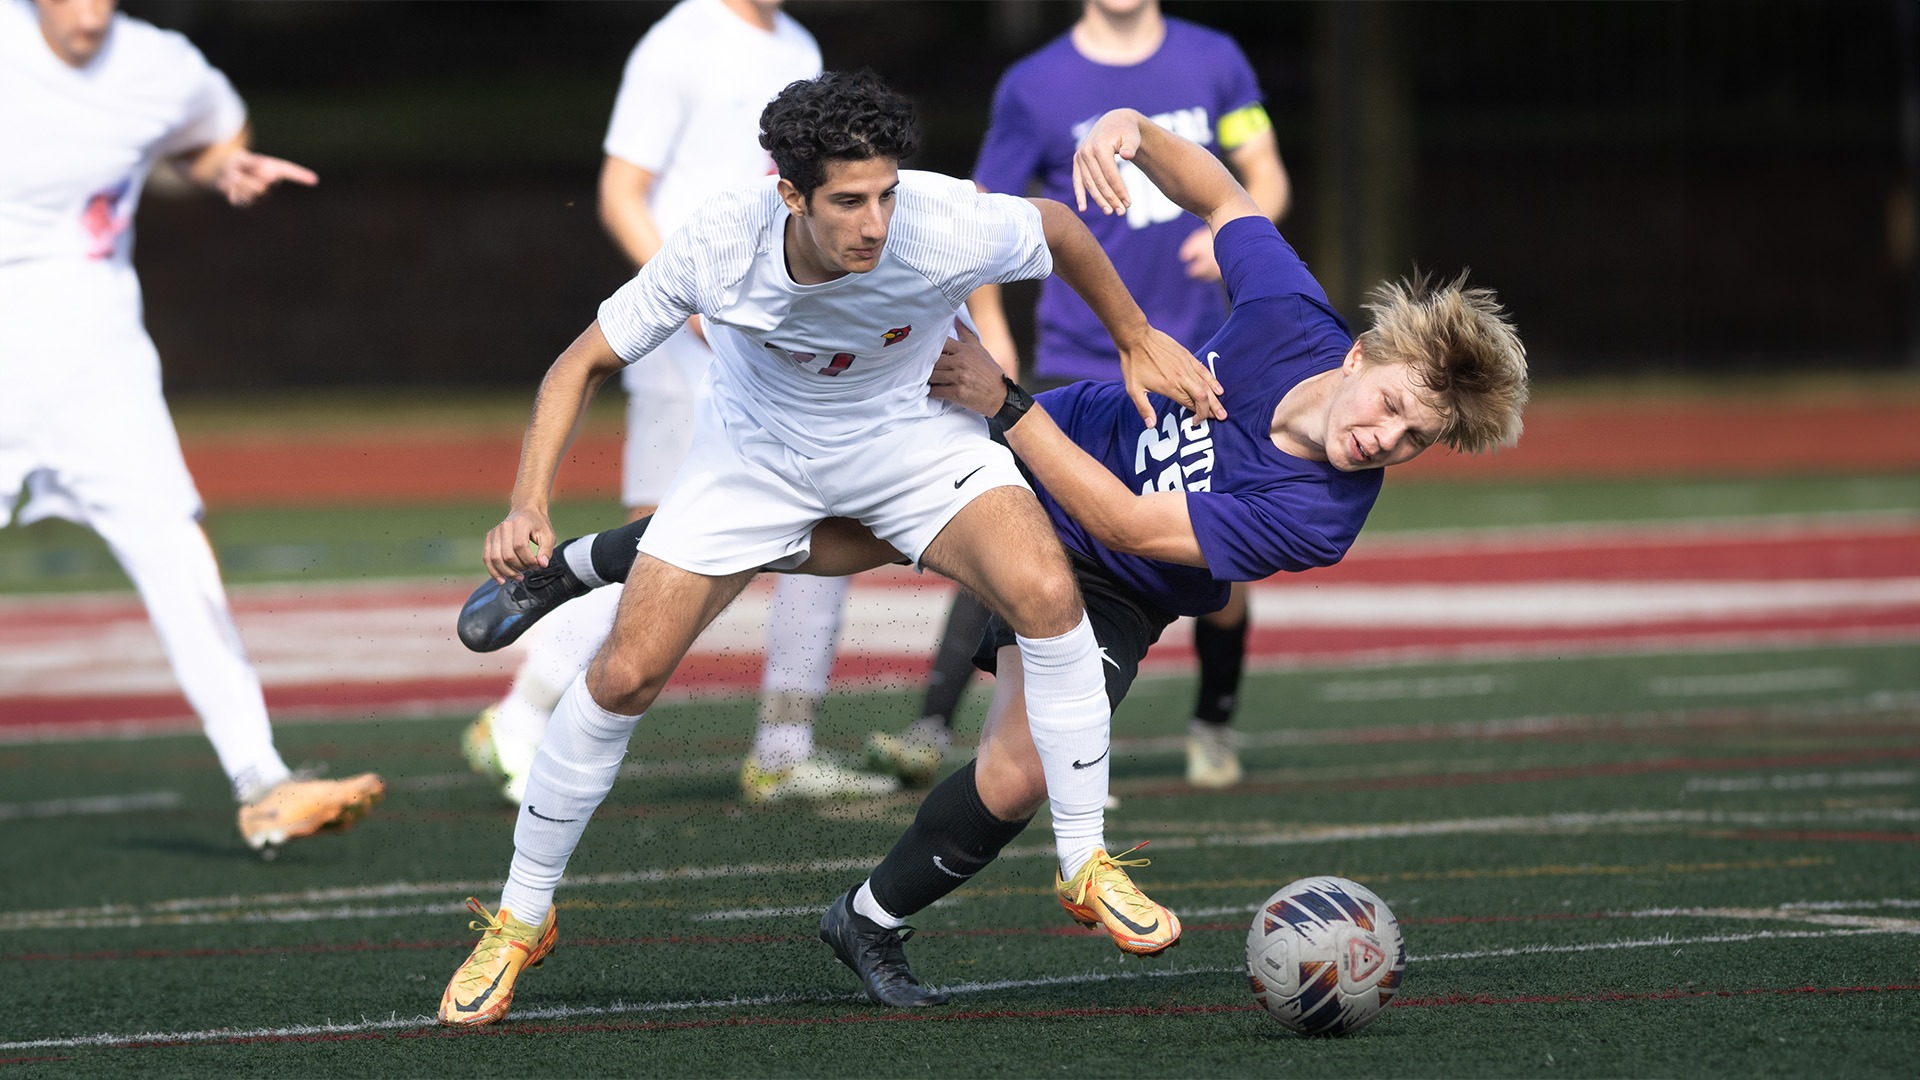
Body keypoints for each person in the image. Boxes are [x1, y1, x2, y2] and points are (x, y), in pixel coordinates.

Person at [464, 106, 1528, 1008]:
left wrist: (1006, 403)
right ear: (1360, 356)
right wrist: (1135, 132)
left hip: (1112, 569)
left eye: (1415, 440)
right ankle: (575, 567)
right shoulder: (1294, 318)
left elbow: (1122, 526)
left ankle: (868, 918)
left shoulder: (1323, 513)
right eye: (1391, 406)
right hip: (1029, 457)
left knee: (1017, 774)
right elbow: (1226, 201)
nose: (1385, 438)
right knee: (814, 537)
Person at [436, 71, 1224, 1027]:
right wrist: (529, 500)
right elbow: (582, 363)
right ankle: (519, 919)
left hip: (914, 440)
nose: (875, 223)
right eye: (848, 201)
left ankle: (1086, 857)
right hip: (754, 459)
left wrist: (1135, 335)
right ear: (790, 196)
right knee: (626, 675)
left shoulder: (934, 221)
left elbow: (1056, 226)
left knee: (1047, 595)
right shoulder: (721, 241)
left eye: (885, 193)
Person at [457, 0, 891, 808]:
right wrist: (689, 301)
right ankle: (518, 715)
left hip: (775, 341)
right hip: (692, 344)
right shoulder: (679, 41)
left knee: (834, 510)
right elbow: (623, 191)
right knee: (667, 548)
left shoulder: (798, 41)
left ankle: (785, 747)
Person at [867, 0, 1291, 793]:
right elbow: (982, 217)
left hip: (1201, 364)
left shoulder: (1218, 59)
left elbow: (1262, 171)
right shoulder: (1035, 83)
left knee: (1215, 571)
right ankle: (930, 724)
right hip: (1077, 358)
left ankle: (1212, 725)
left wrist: (1236, 229)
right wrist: (989, 325)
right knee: (1005, 519)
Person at [0, 0, 383, 853]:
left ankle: (262, 782)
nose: (88, 8)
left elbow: (215, 134)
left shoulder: (159, 65)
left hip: (99, 366)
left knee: (178, 554)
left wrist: (221, 170)